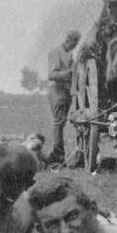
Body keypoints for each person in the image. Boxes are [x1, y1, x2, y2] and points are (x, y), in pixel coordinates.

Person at [46, 30, 80, 165]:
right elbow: (52, 75)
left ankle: (59, 154)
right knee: (58, 123)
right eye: (74, 43)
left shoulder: (69, 54)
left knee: (62, 122)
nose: (75, 46)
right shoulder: (55, 53)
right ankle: (58, 155)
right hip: (57, 91)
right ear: (68, 40)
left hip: (66, 91)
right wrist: (72, 72)